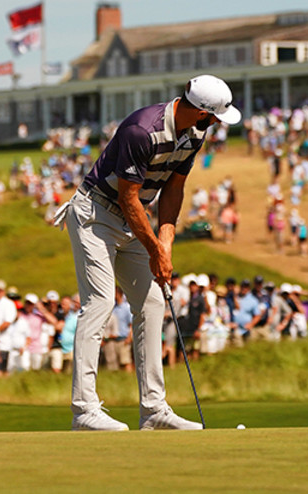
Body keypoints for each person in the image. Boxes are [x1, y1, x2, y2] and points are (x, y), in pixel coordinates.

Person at [60, 74, 239, 431]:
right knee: (99, 303)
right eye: (217, 118)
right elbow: (128, 197)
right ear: (203, 113)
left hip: (134, 218)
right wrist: (155, 249)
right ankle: (84, 410)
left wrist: (166, 242)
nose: (218, 125)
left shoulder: (196, 134)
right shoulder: (142, 129)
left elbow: (174, 189)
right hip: (95, 214)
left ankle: (154, 410)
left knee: (154, 303)